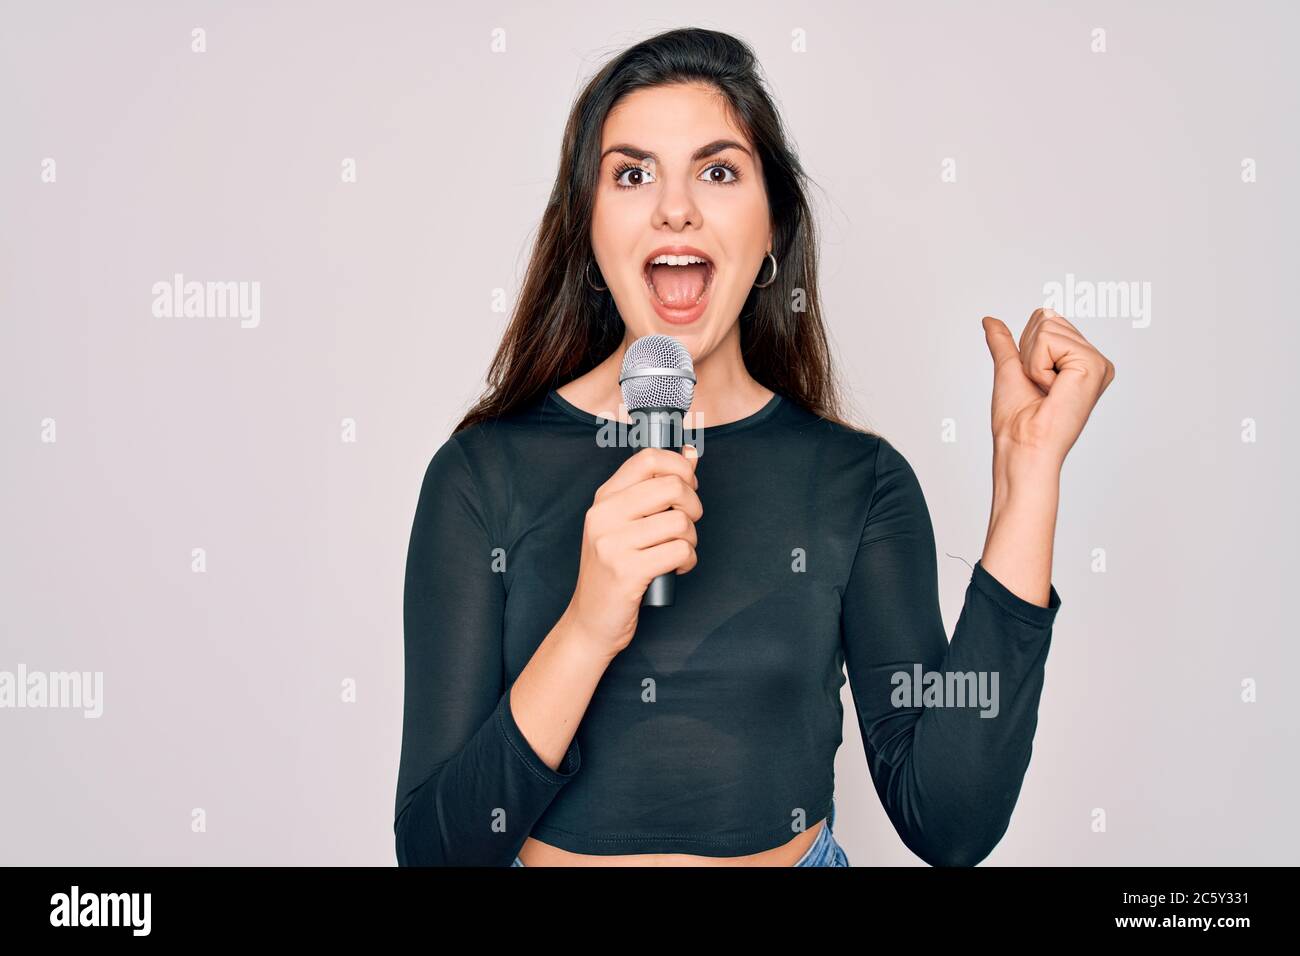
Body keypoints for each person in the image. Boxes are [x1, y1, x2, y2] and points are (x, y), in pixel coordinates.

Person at [394, 27, 1114, 867]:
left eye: (717, 171)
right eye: (632, 174)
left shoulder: (858, 482)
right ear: (587, 228)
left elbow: (951, 823)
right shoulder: (480, 476)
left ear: (772, 227)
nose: (675, 208)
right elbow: (435, 853)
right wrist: (588, 625)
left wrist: (1028, 477)